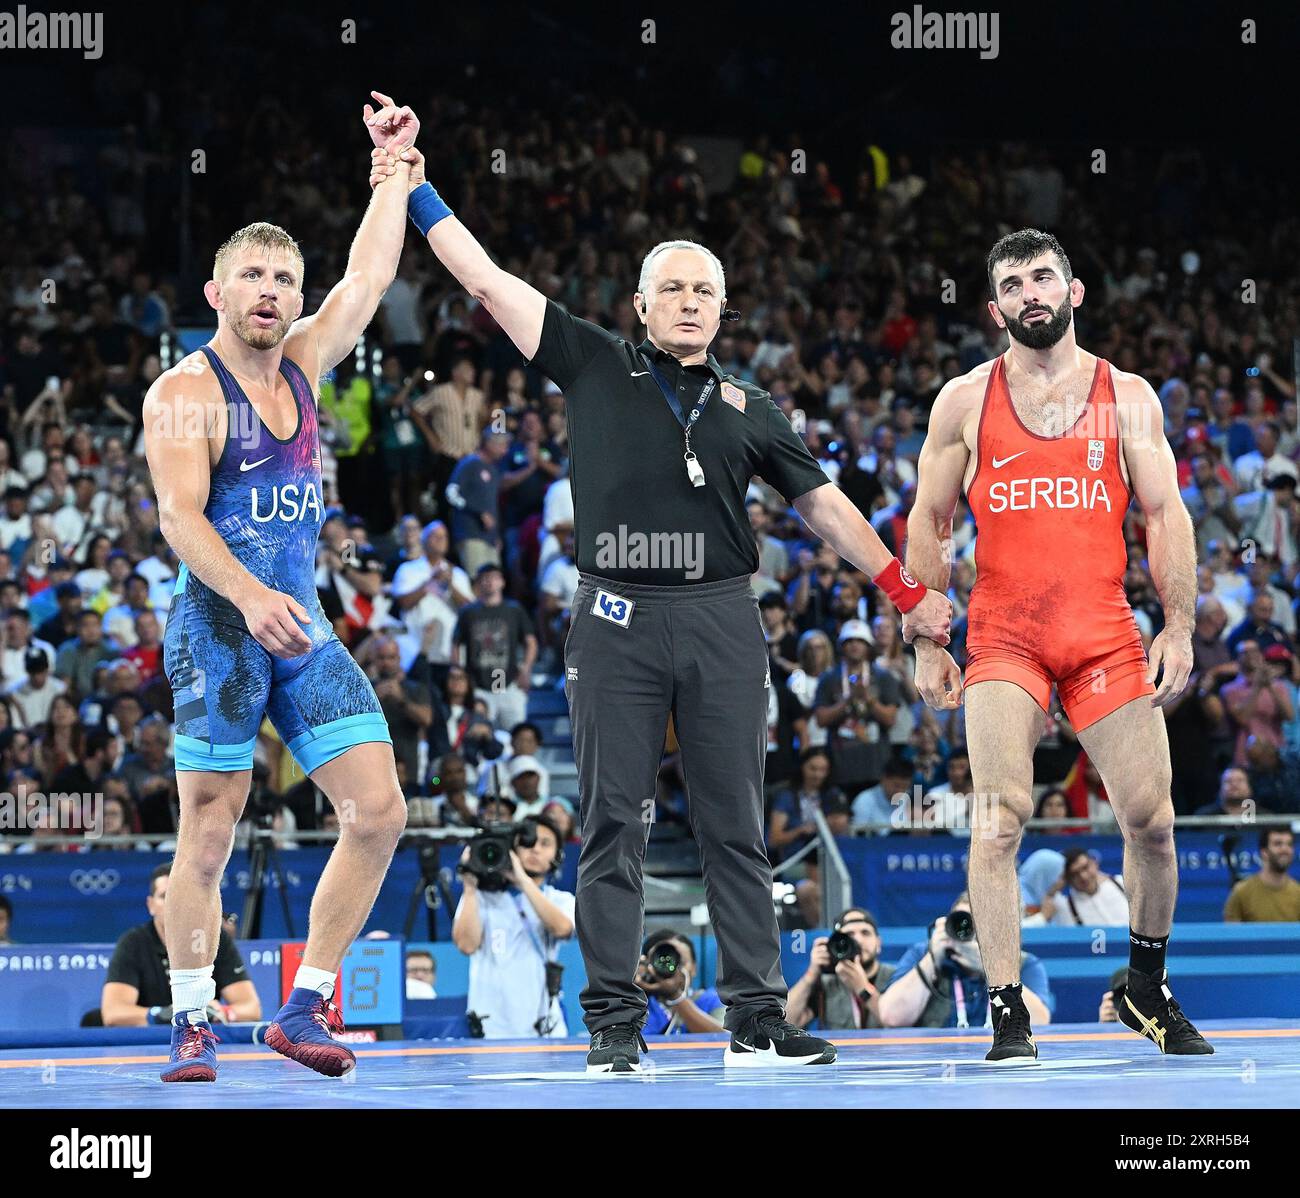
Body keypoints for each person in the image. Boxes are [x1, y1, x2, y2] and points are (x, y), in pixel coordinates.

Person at [371, 133, 951, 1073]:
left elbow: (822, 506)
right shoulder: (596, 361)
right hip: (616, 617)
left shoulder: (753, 407)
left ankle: (756, 1017)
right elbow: (484, 279)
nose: (688, 302)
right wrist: (417, 188)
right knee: (612, 823)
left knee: (737, 824)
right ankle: (613, 1022)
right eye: (671, 289)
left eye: (703, 291)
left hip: (722, 615)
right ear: (640, 305)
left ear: (723, 310)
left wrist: (902, 589)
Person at [139, 92, 418, 1083]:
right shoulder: (183, 392)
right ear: (216, 292)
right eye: (252, 275)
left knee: (379, 812)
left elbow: (369, 275)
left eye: (285, 278)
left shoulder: (304, 360)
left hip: (297, 624)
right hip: (217, 630)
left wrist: (391, 175)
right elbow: (180, 518)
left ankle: (303, 1006)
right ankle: (191, 1018)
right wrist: (249, 599)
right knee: (209, 834)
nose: (270, 290)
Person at [904, 228, 1211, 1059]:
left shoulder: (1128, 396)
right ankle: (1009, 1011)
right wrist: (927, 640)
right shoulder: (964, 400)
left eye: (1042, 278)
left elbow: (1165, 515)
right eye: (1012, 285)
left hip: (1103, 633)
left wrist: (1179, 625)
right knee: (999, 820)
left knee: (1152, 822)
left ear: (1073, 292)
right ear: (994, 307)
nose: (1029, 293)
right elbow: (929, 520)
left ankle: (1144, 987)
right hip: (1005, 636)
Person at [453, 814, 575, 1038]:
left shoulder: (560, 900)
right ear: (512, 849)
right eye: (527, 843)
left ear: (557, 855)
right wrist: (469, 888)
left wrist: (522, 881)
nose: (535, 849)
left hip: (545, 1029)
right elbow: (466, 945)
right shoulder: (481, 898)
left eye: (545, 843)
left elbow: (563, 929)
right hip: (491, 1030)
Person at [99, 864, 261, 1029]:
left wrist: (222, 1012)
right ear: (151, 905)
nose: (173, 904)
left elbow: (251, 1008)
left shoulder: (215, 938)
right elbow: (113, 1013)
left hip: (199, 1037)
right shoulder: (133, 943)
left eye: (181, 896)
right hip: (149, 1040)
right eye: (165, 896)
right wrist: (161, 1015)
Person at [877, 892, 1053, 1031]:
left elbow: (1039, 1021)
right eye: (963, 922)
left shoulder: (1021, 962)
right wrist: (932, 959)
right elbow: (891, 1017)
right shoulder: (923, 954)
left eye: (979, 924)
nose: (969, 931)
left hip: (999, 1058)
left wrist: (991, 970)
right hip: (937, 1057)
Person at [786, 908, 896, 1030]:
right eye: (849, 935)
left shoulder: (895, 978)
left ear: (878, 943)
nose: (858, 940)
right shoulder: (827, 983)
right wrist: (811, 975)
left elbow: (898, 1023)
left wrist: (862, 988)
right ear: (836, 943)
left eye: (865, 933)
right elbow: (787, 1023)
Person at [636, 929, 725, 1034]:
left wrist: (675, 996)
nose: (671, 968)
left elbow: (724, 1037)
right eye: (661, 962)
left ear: (694, 967)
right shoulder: (639, 1003)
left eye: (680, 963)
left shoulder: (711, 1000)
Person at [1224, 829, 1300, 921]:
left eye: (1289, 844)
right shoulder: (1241, 892)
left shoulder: (1298, 893)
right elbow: (1231, 928)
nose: (1285, 849)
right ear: (1264, 852)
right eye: (1278, 844)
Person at [1044, 848, 1130, 926]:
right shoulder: (1064, 908)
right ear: (1067, 879)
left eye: (1085, 868)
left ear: (1094, 863)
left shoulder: (1123, 883)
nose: (1083, 877)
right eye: (1075, 874)